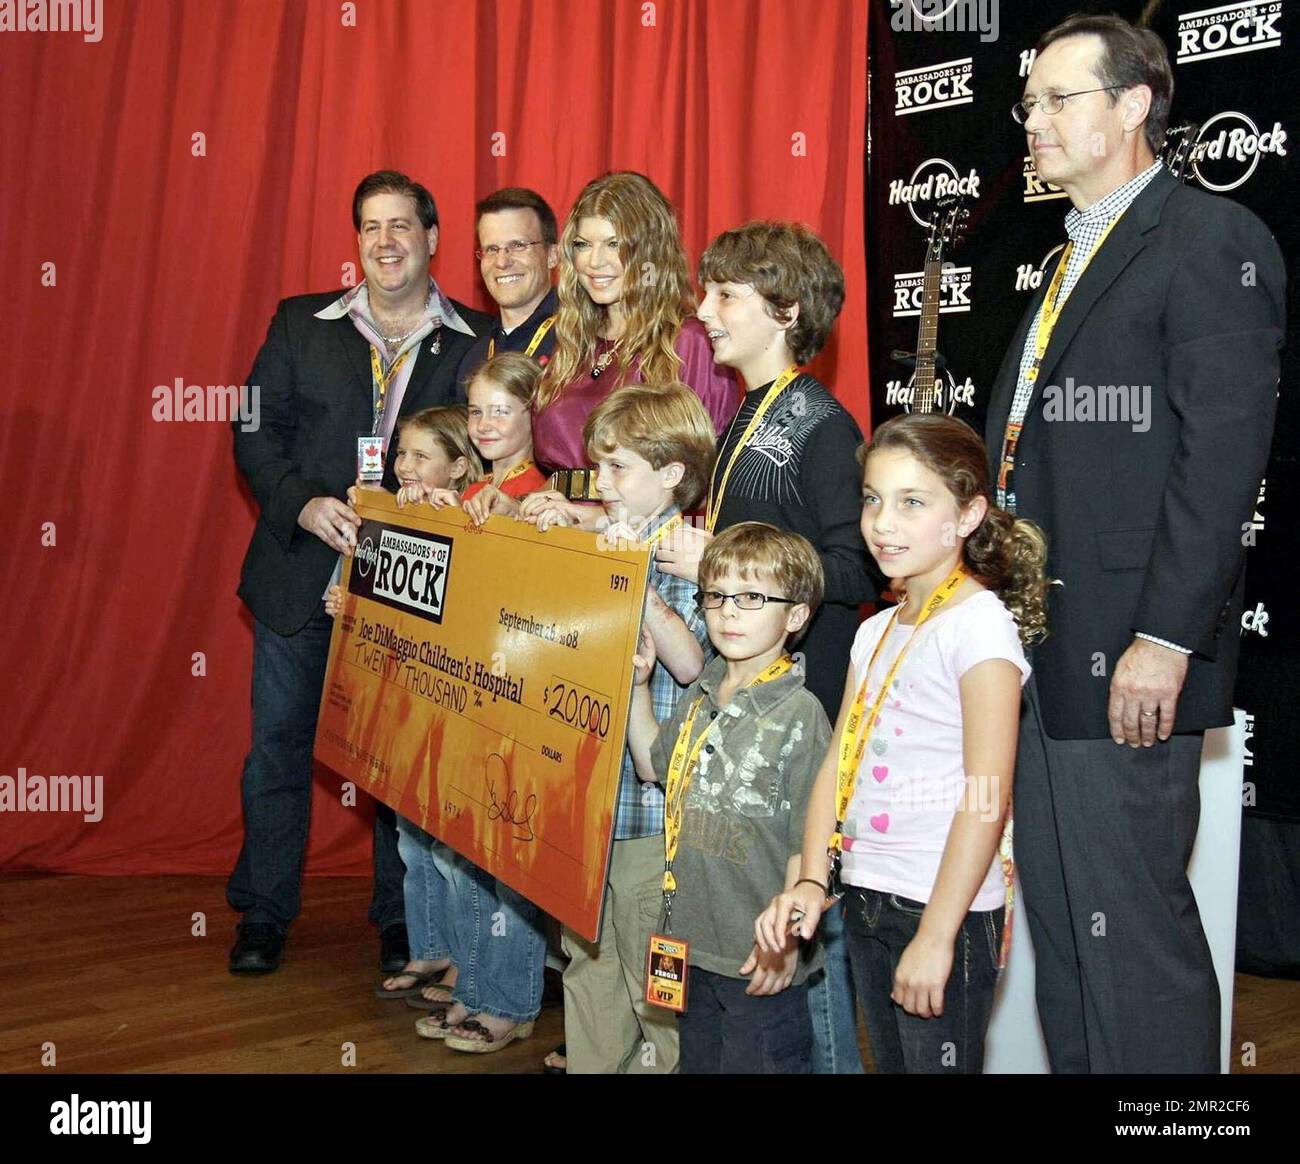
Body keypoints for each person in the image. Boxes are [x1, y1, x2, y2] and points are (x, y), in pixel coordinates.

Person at [988, 14, 1284, 1072]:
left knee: (1136, 939)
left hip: (1125, 655)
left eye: (1058, 100)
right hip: (1040, 655)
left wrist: (1164, 637)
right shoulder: (1068, 253)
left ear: (1132, 105)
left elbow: (1219, 463)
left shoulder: (1209, 241)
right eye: (1027, 104)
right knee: (1071, 935)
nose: (1032, 122)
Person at [227, 170, 491, 975]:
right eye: (371, 227)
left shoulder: (476, 338)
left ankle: (400, 922)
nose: (386, 242)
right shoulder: (300, 323)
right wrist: (304, 505)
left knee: (397, 761)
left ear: (433, 238)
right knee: (278, 748)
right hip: (302, 571)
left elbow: (493, 452)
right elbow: (252, 434)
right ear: (357, 241)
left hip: (413, 587)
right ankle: (263, 915)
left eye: (402, 226)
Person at [757, 414, 1047, 1073]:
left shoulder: (979, 626)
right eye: (872, 499)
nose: (883, 523)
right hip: (865, 893)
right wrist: (809, 876)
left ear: (968, 514)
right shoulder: (876, 630)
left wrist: (939, 935)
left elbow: (987, 795)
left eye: (912, 503)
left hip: (942, 903)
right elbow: (839, 763)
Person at [657, 220, 878, 1073]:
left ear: (785, 310)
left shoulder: (821, 422)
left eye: (726, 296)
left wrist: (717, 563)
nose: (704, 309)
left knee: (798, 929)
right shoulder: (752, 408)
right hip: (742, 699)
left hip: (798, 710)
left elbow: (853, 566)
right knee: (754, 945)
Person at [531, 382, 718, 1073]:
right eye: (598, 466)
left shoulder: (694, 557)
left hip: (653, 820)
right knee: (587, 961)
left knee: (658, 980)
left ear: (671, 475)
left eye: (617, 469)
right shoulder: (603, 541)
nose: (599, 483)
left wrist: (628, 575)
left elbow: (692, 663)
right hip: (588, 806)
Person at [627, 522, 832, 1074]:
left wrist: (785, 943)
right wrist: (640, 687)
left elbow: (806, 844)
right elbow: (653, 764)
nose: (729, 613)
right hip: (689, 942)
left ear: (795, 616)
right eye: (715, 596)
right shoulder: (701, 692)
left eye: (751, 597)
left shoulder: (800, 714)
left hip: (755, 954)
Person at [400, 353, 549, 1052]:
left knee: (504, 860)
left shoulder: (536, 493)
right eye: (478, 411)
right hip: (465, 694)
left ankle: (509, 999)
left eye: (503, 411)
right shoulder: (475, 494)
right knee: (462, 855)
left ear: (533, 417)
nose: (487, 425)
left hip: (513, 697)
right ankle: (476, 985)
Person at [324, 405, 481, 1003]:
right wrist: (344, 603)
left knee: (453, 850)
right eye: (401, 454)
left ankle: (469, 964)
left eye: (422, 456)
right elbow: (367, 594)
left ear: (458, 467)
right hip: (401, 708)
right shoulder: (382, 516)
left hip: (450, 707)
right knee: (413, 843)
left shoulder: (473, 521)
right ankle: (430, 947)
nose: (405, 467)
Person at [521, 170, 738, 500]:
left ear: (649, 254)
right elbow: (555, 473)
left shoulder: (688, 343)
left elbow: (705, 486)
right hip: (556, 536)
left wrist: (594, 517)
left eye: (614, 244)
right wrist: (516, 502)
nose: (595, 261)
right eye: (583, 245)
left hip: (636, 545)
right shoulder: (572, 343)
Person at [457, 187, 560, 389]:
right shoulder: (473, 358)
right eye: (492, 249)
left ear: (552, 255)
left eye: (518, 246)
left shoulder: (580, 340)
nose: (502, 262)